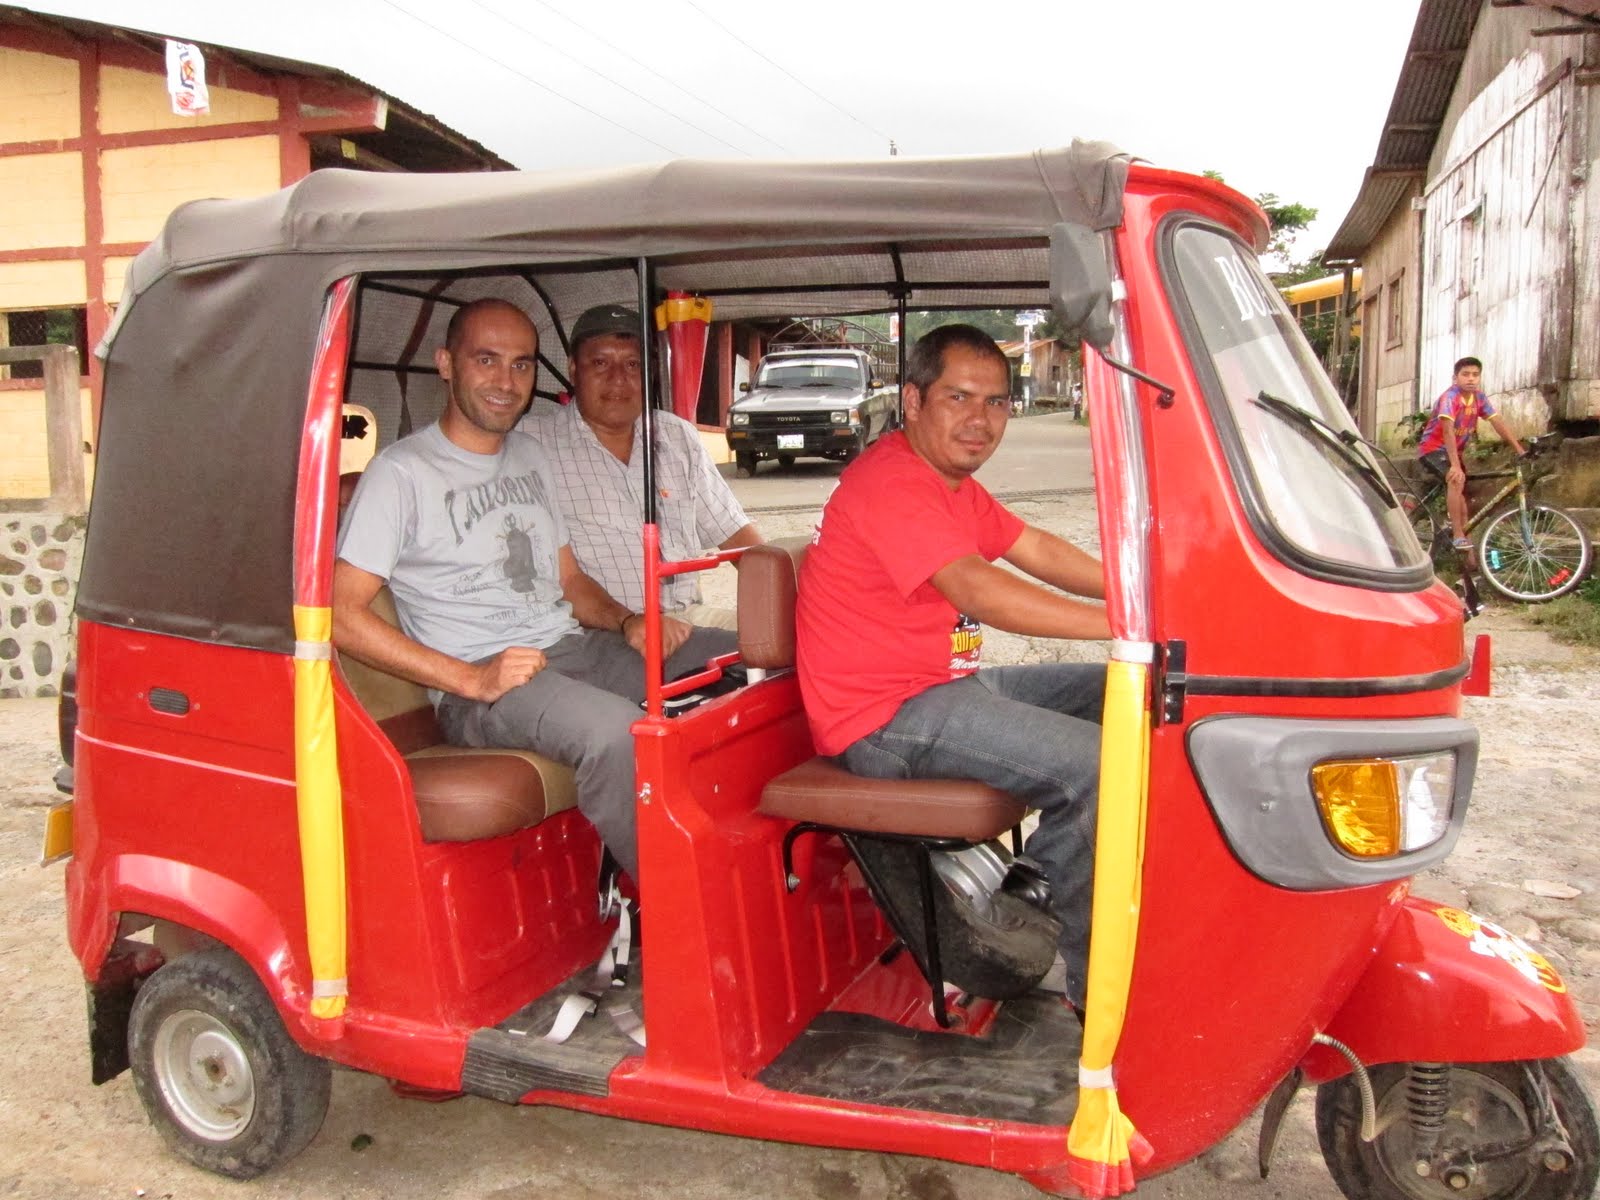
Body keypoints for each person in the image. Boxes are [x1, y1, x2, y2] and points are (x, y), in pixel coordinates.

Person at [333, 298, 732, 880]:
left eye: (521, 365)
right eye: (487, 360)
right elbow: (341, 614)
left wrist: (627, 622)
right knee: (621, 737)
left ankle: (751, 863)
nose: (505, 382)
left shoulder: (530, 456)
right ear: (446, 363)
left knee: (741, 661)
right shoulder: (401, 474)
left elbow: (568, 580)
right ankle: (682, 919)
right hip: (484, 686)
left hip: (569, 650)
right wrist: (472, 678)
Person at [794, 324, 1111, 1008]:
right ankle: (1094, 988)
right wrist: (1129, 625)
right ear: (912, 400)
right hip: (882, 720)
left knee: (1122, 692)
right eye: (959, 398)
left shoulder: (952, 483)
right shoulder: (893, 480)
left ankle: (1043, 877)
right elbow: (980, 590)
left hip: (940, 689)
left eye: (996, 402)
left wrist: (1143, 587)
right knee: (1097, 763)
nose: (980, 420)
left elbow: (1037, 548)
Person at [522, 303, 761, 638]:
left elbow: (736, 536)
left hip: (686, 618)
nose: (618, 378)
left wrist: (790, 593)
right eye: (600, 362)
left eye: (632, 364)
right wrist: (629, 622)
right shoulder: (531, 444)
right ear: (574, 370)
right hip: (600, 630)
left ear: (650, 373)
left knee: (788, 640)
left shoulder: (676, 436)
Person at [1417, 356, 1525, 555]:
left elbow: (1497, 422)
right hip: (1433, 449)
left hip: (1453, 452)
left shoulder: (1479, 398)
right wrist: (1455, 466)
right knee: (1456, 480)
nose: (1471, 379)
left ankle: (1471, 560)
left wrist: (1518, 449)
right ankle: (1458, 536)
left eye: (1475, 375)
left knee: (1464, 505)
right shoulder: (1450, 398)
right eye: (1465, 374)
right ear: (1455, 378)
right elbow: (1447, 432)